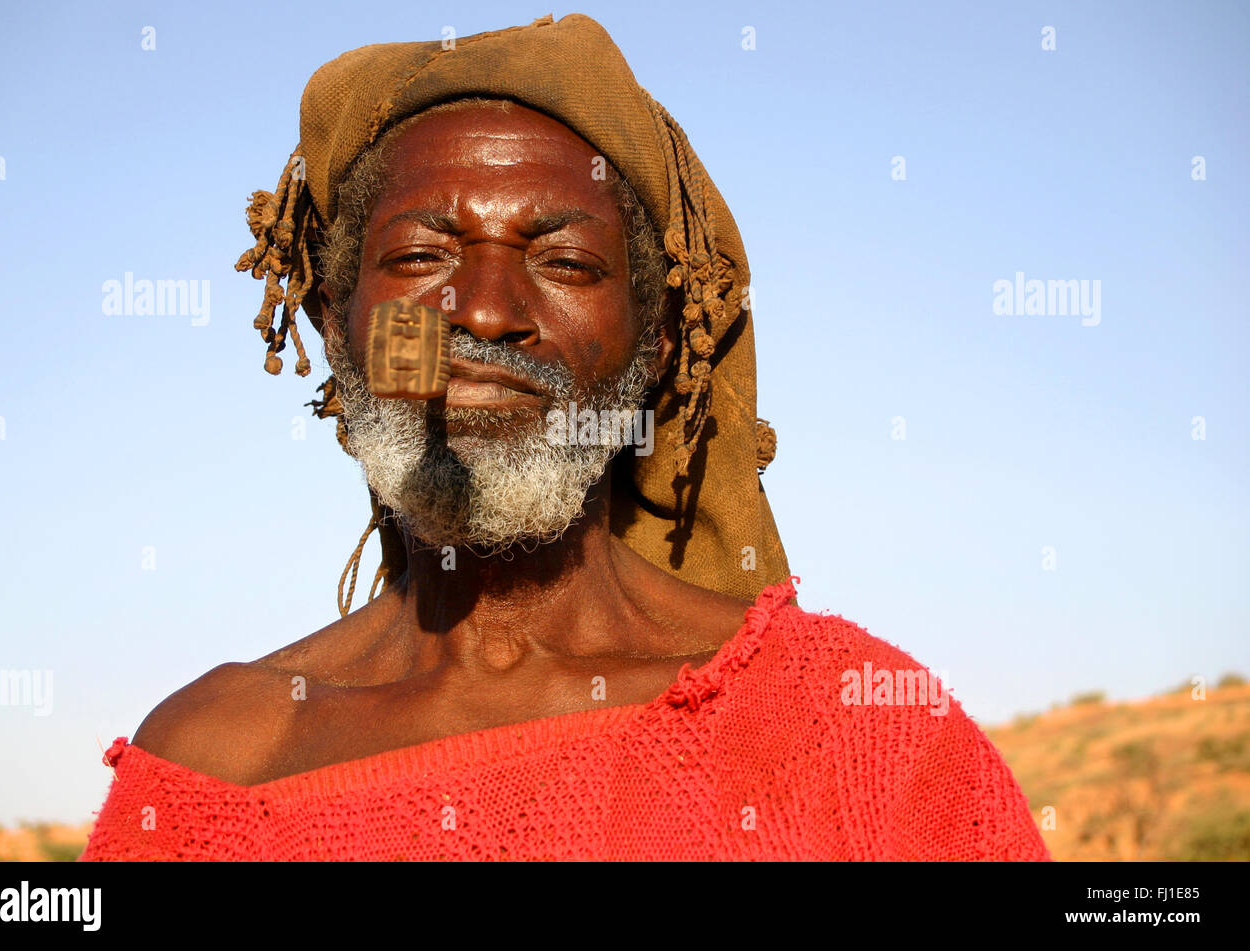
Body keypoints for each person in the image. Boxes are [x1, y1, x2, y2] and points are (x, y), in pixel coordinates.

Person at [80, 13, 1049, 861]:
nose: (487, 312)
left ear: (657, 343)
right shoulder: (216, 765)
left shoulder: (847, 729)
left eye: (565, 261)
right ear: (340, 325)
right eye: (421, 256)